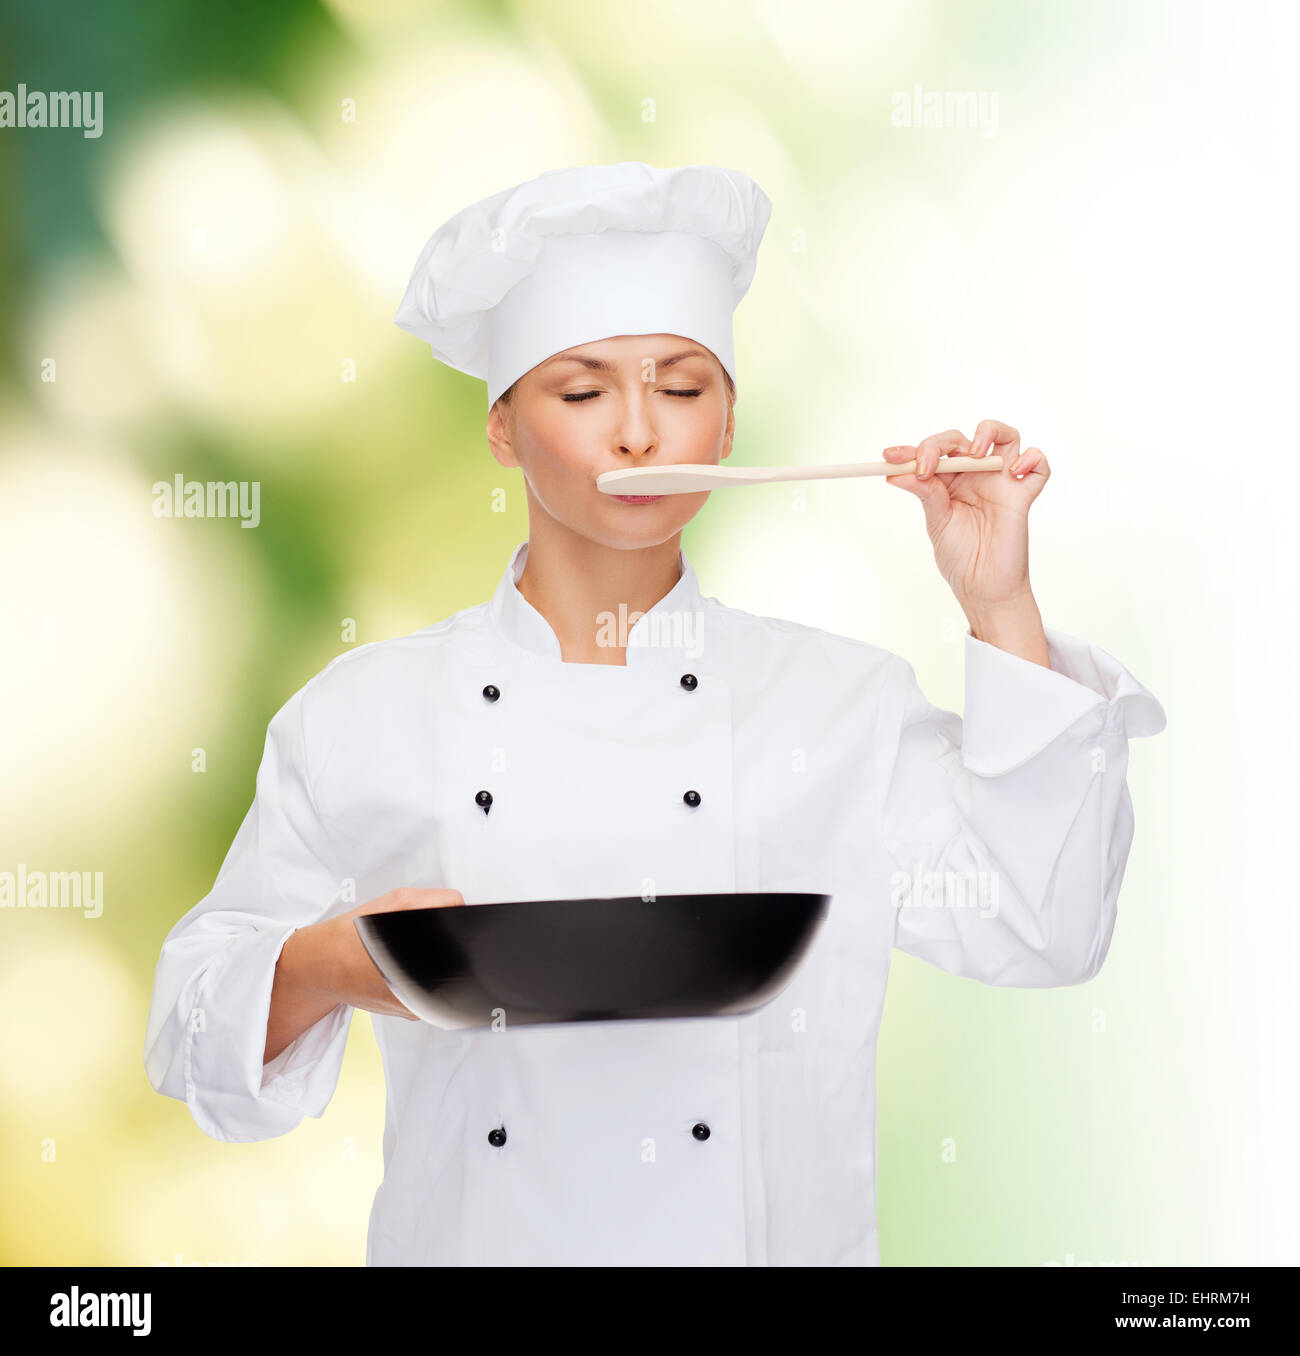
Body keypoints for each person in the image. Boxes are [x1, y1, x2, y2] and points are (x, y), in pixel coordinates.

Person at [143, 161, 1166, 1266]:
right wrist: (330, 966)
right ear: (501, 430)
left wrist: (994, 597)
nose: (638, 435)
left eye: (681, 389)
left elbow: (1044, 927)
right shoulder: (369, 714)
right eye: (580, 394)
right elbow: (188, 1033)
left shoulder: (838, 706)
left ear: (727, 422)